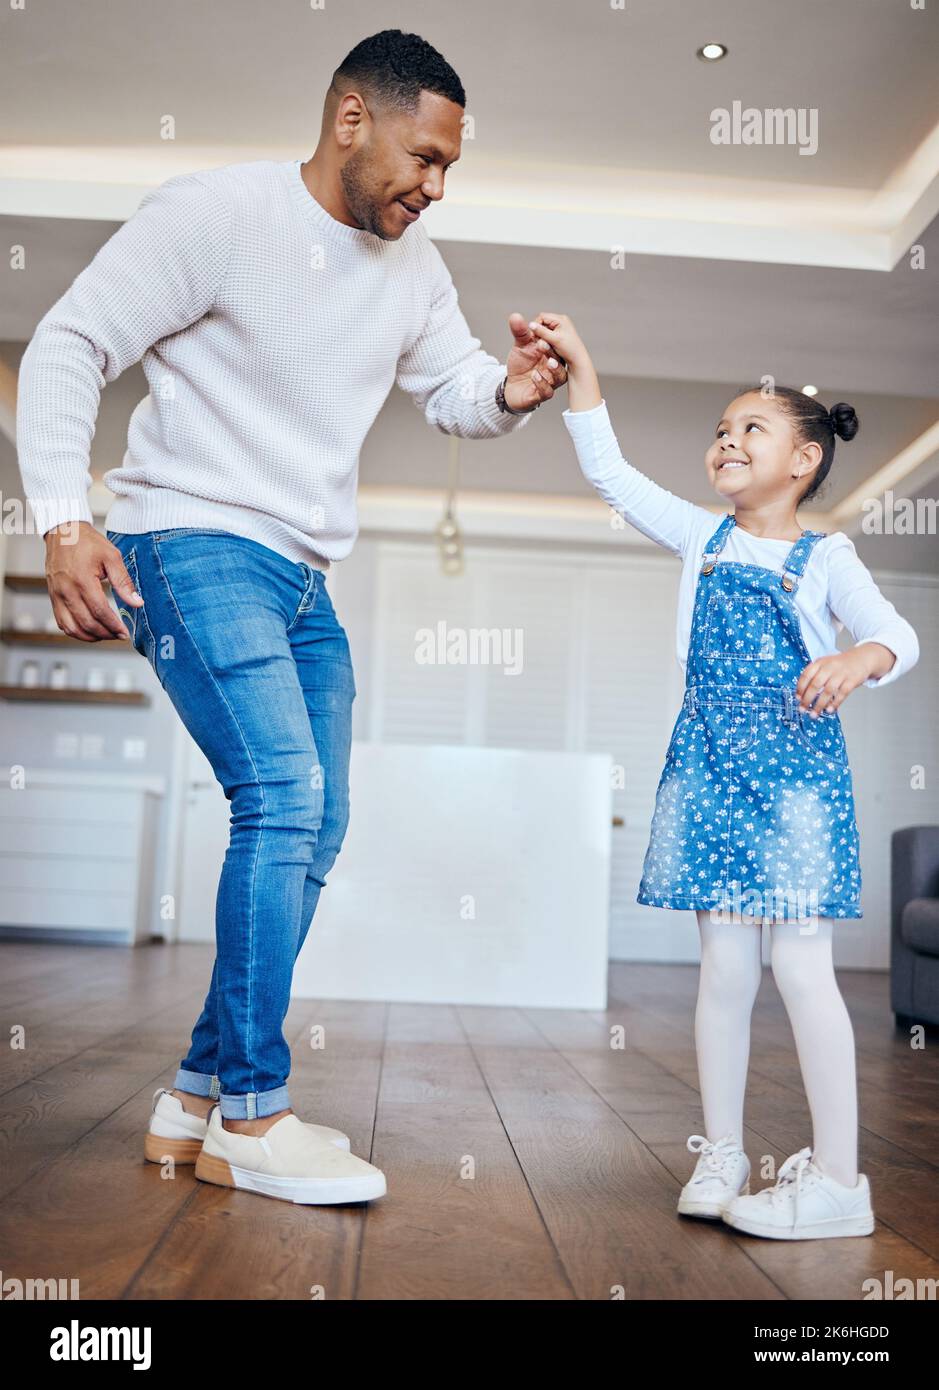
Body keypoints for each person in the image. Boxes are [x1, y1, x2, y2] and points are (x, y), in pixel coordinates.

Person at [15, 29, 567, 1207]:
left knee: (321, 822)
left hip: (303, 574)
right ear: (352, 118)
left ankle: (196, 1095)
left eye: (450, 169)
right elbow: (70, 342)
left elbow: (459, 389)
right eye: (424, 157)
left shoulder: (415, 270)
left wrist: (513, 393)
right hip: (191, 538)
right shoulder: (215, 215)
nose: (434, 185)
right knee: (283, 793)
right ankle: (256, 1117)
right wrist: (63, 516)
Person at [528, 310, 919, 1240]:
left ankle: (837, 1177)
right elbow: (608, 473)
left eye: (752, 428)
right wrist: (582, 369)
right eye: (719, 430)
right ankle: (724, 1152)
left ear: (803, 462)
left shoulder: (826, 557)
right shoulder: (701, 539)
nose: (726, 441)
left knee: (801, 964)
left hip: (792, 784)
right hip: (705, 768)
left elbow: (896, 635)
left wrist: (856, 661)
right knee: (724, 967)